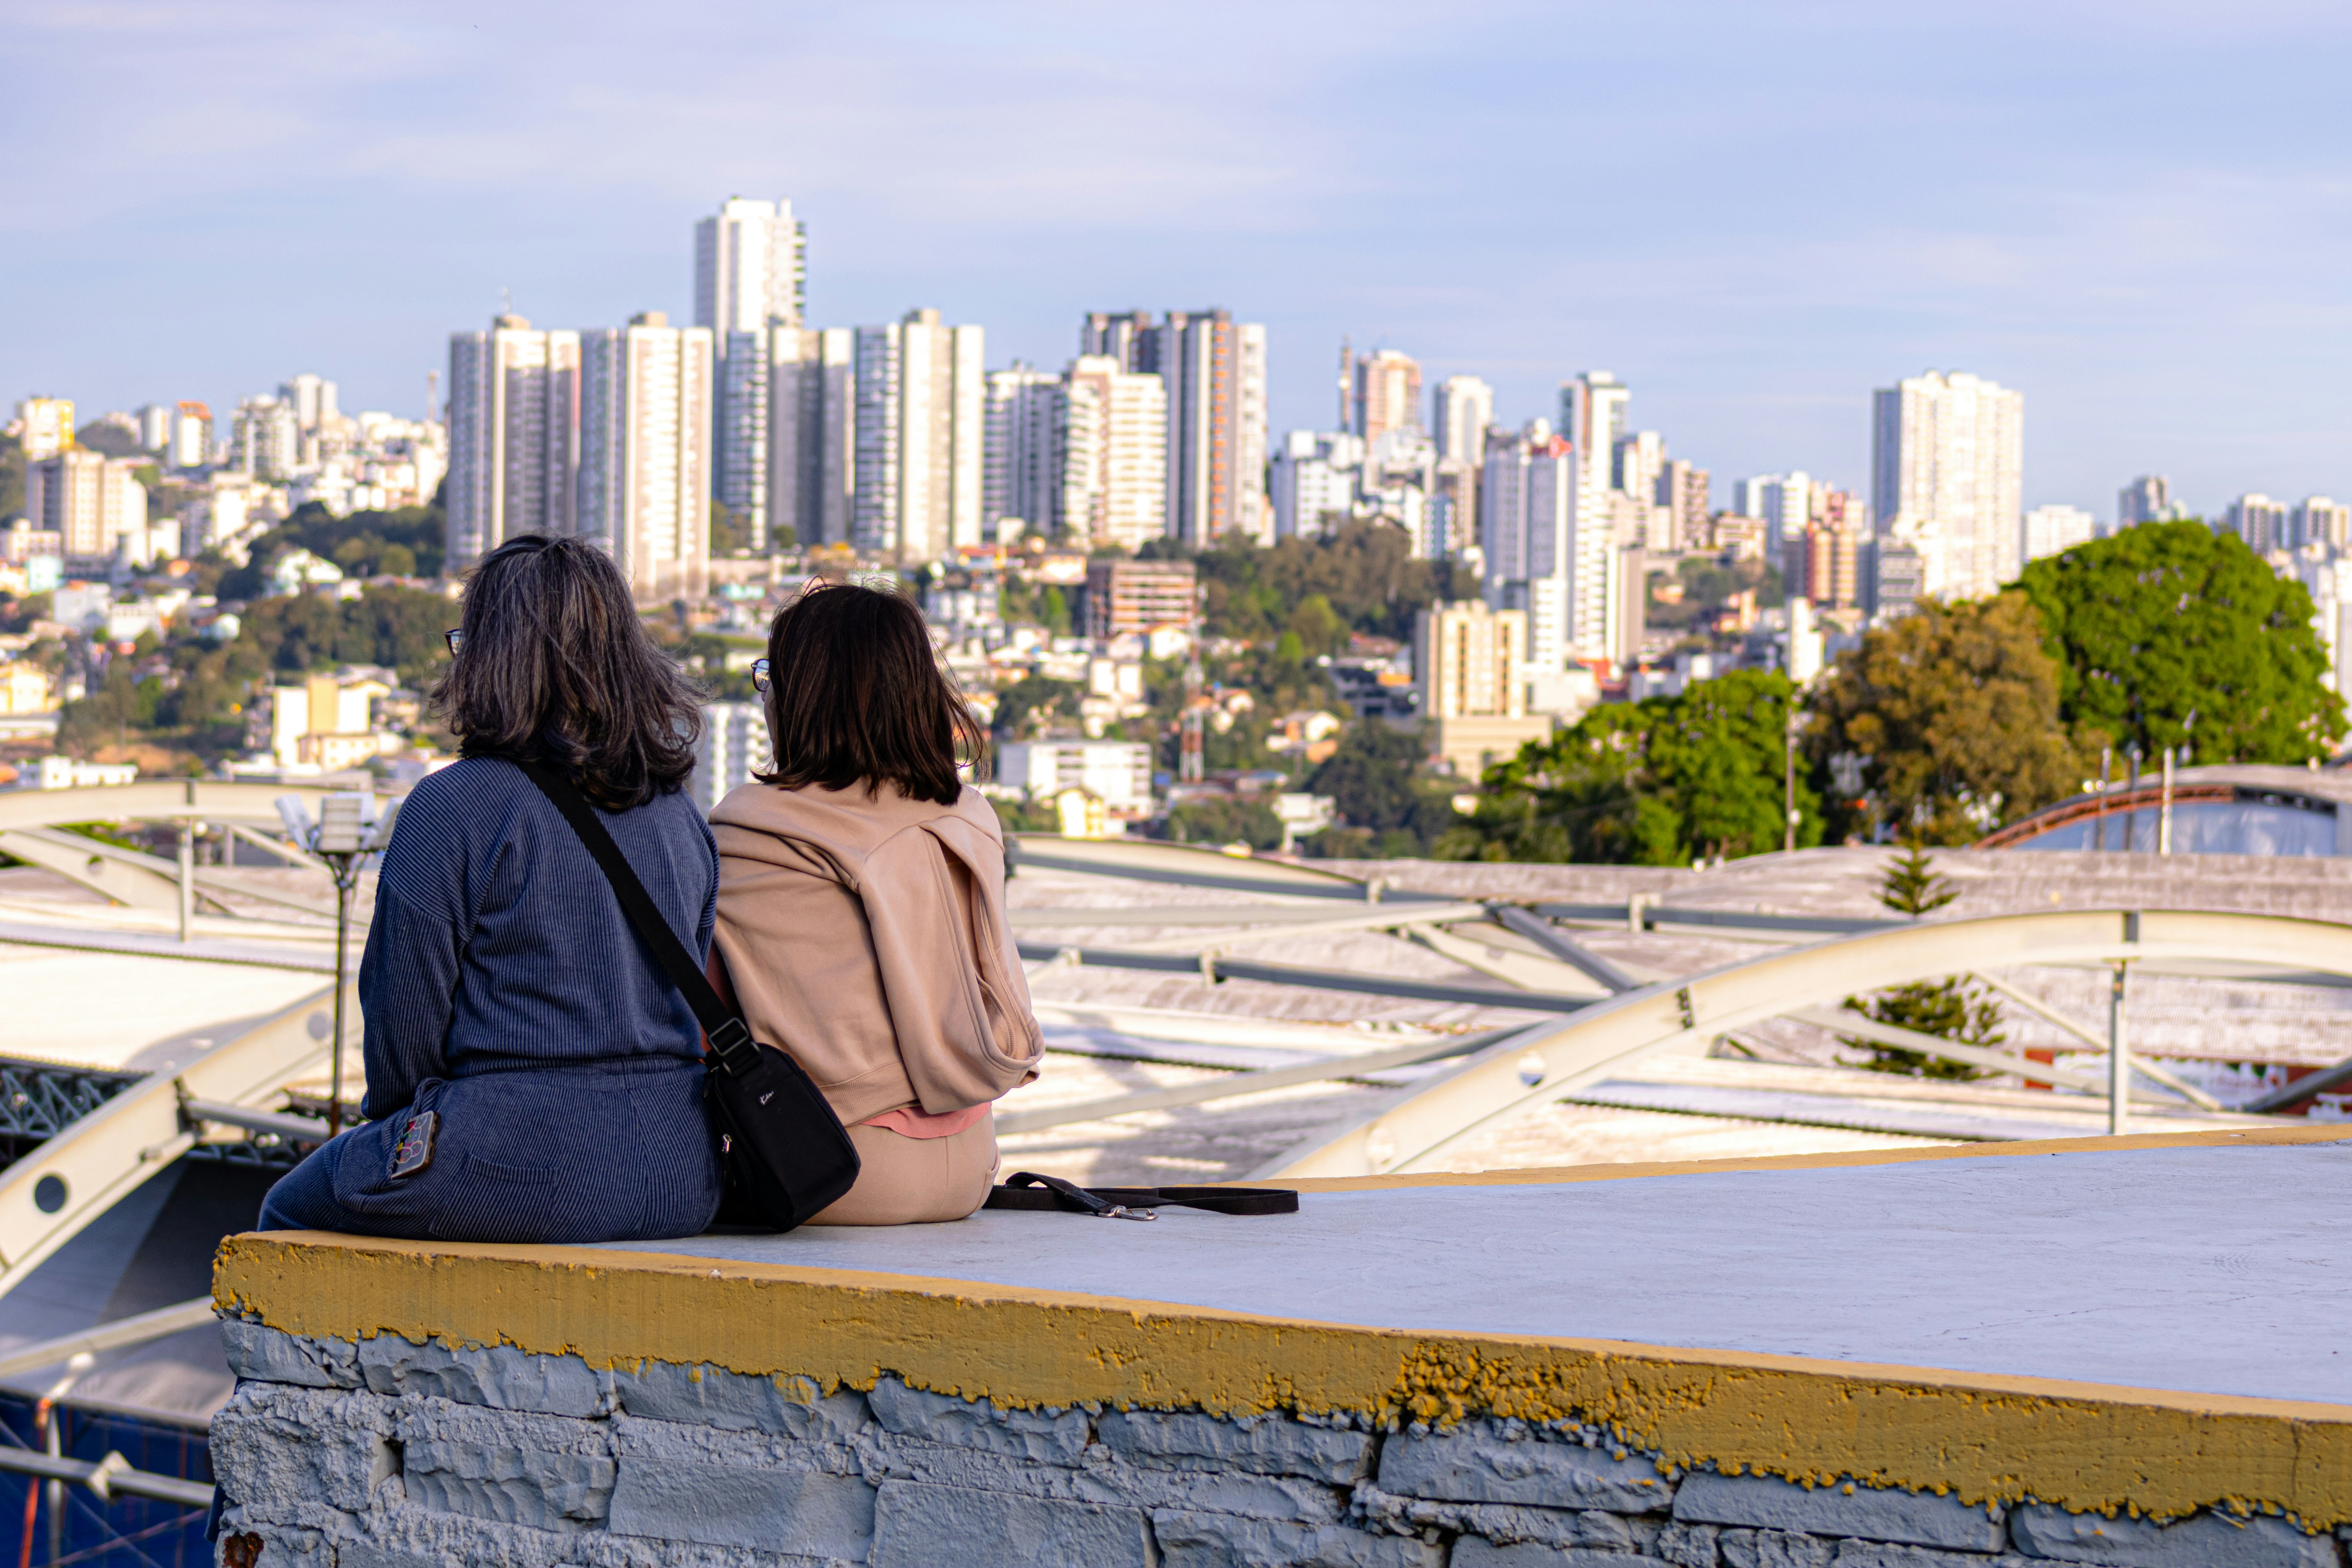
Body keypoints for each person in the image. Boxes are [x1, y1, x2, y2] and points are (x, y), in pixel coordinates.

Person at [254, 534, 725, 1243]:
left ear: (487, 662)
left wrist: (397, 1128)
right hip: (680, 1166)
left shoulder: (454, 808)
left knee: (287, 1216)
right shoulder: (679, 814)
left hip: (518, 1156)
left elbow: (402, 1027)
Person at [708, 580, 1042, 1225]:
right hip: (971, 1166)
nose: (768, 696)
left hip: (832, 1173)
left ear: (804, 696)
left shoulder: (752, 832)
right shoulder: (969, 819)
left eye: (772, 677)